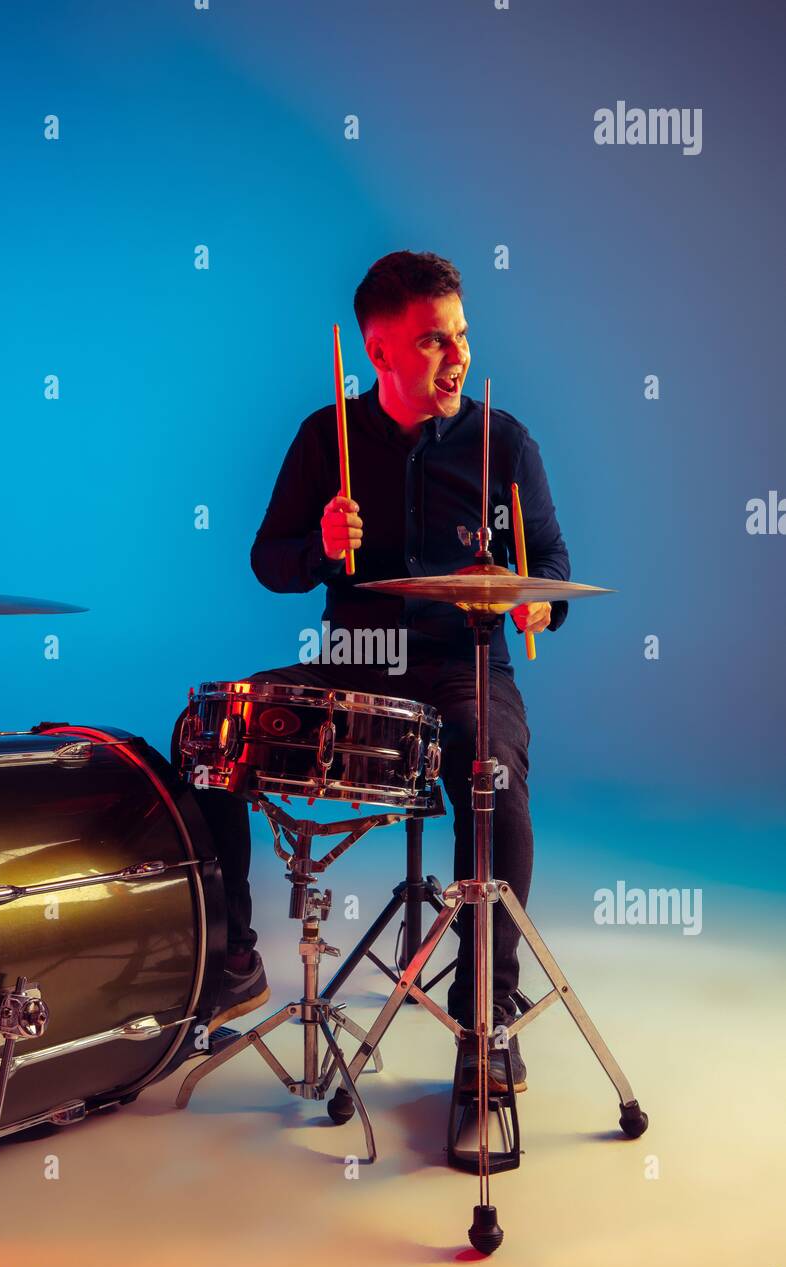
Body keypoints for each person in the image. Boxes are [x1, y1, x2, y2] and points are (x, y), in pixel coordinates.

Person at [200, 250, 571, 1093]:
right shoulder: (321, 436)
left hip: (461, 660)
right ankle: (235, 958)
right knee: (212, 730)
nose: (458, 357)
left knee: (496, 780)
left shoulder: (503, 442)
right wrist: (318, 551)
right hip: (356, 662)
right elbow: (268, 559)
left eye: (462, 336)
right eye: (435, 342)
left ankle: (488, 1016)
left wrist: (539, 604)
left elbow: (547, 558)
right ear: (380, 352)